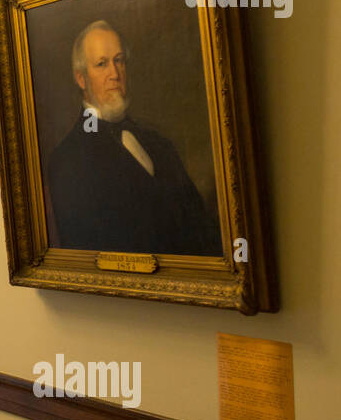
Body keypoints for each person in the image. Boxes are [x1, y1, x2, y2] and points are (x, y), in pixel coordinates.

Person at [46, 20, 220, 255]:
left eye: (119, 60)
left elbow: (201, 226)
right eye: (101, 64)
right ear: (81, 78)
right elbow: (91, 256)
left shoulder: (159, 144)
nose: (114, 74)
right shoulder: (67, 160)